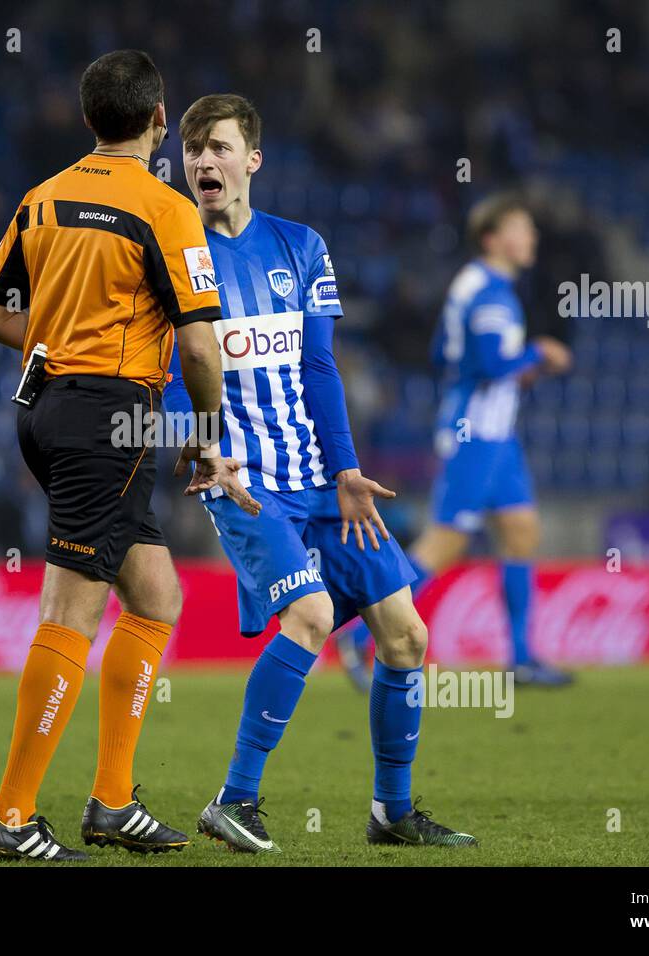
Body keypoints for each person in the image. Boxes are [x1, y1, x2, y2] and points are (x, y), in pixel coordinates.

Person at [164, 94, 477, 853]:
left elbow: (319, 367)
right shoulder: (171, 253)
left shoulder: (301, 246)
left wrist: (346, 470)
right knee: (306, 619)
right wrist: (196, 442)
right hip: (244, 482)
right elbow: (166, 373)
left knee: (406, 635)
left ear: (253, 159)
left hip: (319, 479)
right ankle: (232, 801)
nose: (204, 160)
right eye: (193, 148)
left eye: (219, 147)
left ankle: (391, 813)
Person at [0, 51, 258, 862]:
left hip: (43, 407)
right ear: (160, 120)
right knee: (70, 611)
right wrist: (207, 430)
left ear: (89, 119)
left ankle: (111, 801)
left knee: (157, 594)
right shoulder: (167, 209)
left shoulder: (43, 198)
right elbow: (200, 349)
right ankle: (12, 815)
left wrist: (60, 341)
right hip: (111, 419)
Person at [404, 193, 575, 686]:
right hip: (475, 434)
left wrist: (505, 368)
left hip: (499, 436)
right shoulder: (490, 291)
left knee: (521, 532)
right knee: (446, 541)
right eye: (522, 228)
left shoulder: (482, 286)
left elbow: (445, 352)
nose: (532, 237)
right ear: (492, 239)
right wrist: (539, 352)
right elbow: (491, 364)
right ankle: (356, 636)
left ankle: (521, 657)